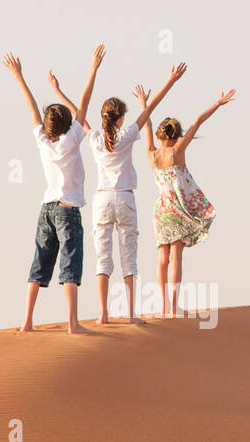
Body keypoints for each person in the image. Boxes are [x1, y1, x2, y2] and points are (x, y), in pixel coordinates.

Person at [3, 45, 104, 335]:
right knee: (70, 265)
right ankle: (72, 323)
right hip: (67, 210)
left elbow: (32, 109)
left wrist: (19, 77)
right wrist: (93, 68)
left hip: (46, 208)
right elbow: (84, 102)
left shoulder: (43, 141)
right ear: (66, 125)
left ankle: (27, 321)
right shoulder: (71, 139)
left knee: (39, 263)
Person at [88, 63, 187, 324]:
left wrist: (61, 89)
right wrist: (171, 81)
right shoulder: (128, 134)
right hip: (124, 197)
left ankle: (102, 314)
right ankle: (131, 314)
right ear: (120, 118)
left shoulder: (96, 138)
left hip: (101, 199)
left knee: (102, 258)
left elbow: (80, 116)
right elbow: (151, 109)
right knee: (128, 257)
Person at [144, 88, 237, 317]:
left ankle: (164, 306)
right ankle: (173, 306)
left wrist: (144, 103)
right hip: (178, 211)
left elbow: (145, 123)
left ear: (159, 136)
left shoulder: (152, 154)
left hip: (161, 211)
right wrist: (218, 102)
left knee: (162, 259)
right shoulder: (178, 151)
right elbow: (197, 121)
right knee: (176, 257)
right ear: (176, 136)